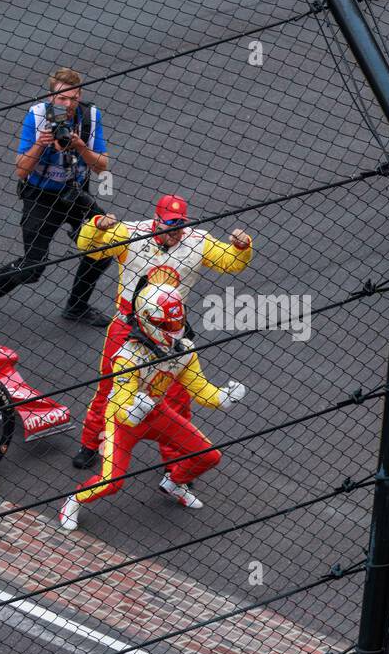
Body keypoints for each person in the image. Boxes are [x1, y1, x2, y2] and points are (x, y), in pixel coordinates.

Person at [70, 193, 253, 469]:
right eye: (170, 225)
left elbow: (231, 263)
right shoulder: (130, 233)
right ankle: (91, 442)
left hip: (171, 329)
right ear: (156, 221)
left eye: (180, 225)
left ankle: (177, 460)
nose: (177, 231)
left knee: (179, 395)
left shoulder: (197, 241)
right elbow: (90, 249)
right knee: (110, 386)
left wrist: (242, 247)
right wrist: (96, 225)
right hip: (127, 325)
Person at [57, 281, 247, 531]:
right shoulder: (127, 356)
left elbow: (199, 389)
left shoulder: (185, 350)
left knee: (209, 455)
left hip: (158, 412)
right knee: (111, 483)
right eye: (167, 325)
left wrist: (223, 397)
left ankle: (174, 483)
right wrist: (135, 410)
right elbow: (122, 403)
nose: (175, 330)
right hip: (122, 421)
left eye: (178, 322)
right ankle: (74, 499)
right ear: (147, 320)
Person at [0, 66, 112, 329]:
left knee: (104, 247)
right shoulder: (36, 117)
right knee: (33, 267)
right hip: (41, 195)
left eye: (73, 98)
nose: (68, 104)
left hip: (76, 194)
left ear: (80, 96)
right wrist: (41, 145)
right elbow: (21, 169)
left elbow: (101, 166)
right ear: (50, 98)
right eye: (61, 99)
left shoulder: (90, 116)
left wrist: (80, 146)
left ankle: (77, 306)